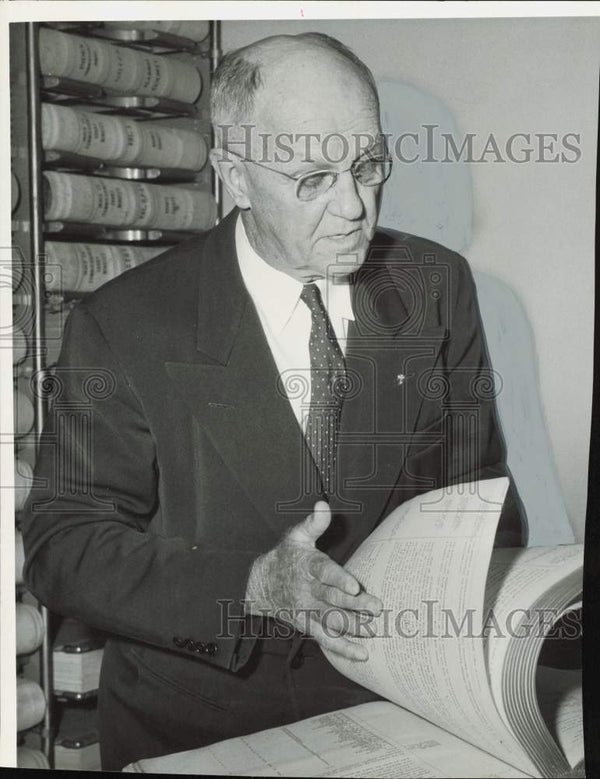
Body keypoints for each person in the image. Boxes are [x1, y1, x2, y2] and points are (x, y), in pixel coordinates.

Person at [21, 32, 525, 771]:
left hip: (400, 713)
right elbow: (61, 544)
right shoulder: (125, 322)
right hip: (199, 729)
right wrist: (251, 585)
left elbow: (479, 492)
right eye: (313, 178)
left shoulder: (434, 286)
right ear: (234, 174)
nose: (356, 205)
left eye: (368, 165)